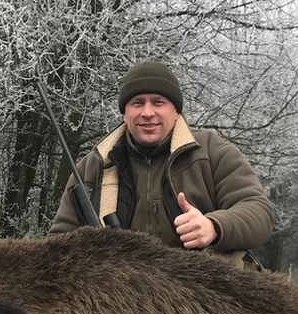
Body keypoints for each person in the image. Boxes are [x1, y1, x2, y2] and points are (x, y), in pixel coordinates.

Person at [49, 60, 274, 268]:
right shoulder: (92, 167)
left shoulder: (213, 152)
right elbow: (58, 241)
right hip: (122, 295)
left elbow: (259, 212)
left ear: (176, 112)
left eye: (158, 102)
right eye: (137, 103)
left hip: (208, 289)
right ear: (124, 114)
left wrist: (213, 226)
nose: (148, 113)